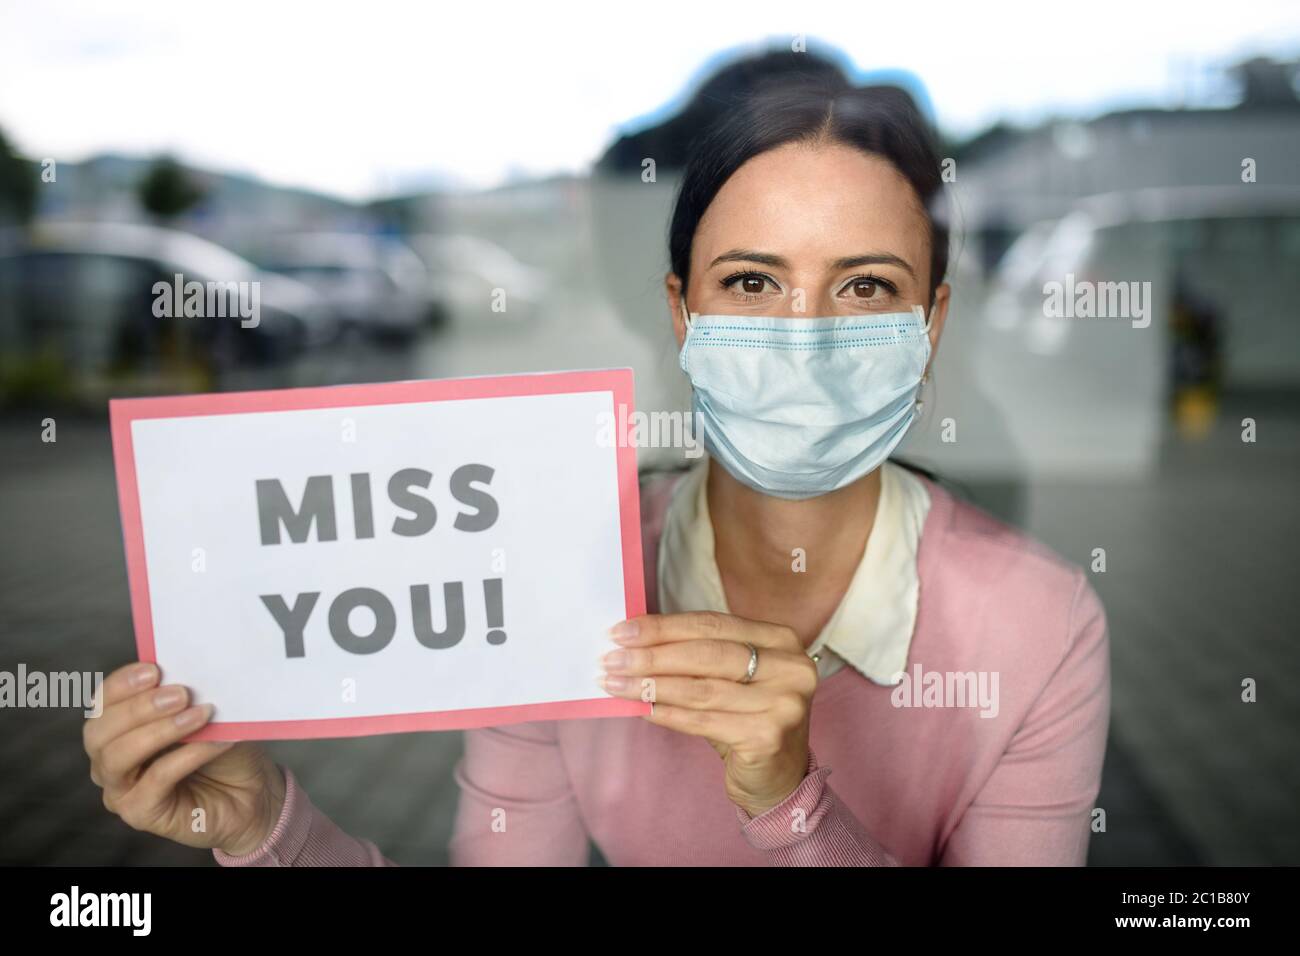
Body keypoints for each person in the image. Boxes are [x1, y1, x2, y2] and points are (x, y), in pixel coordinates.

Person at [84, 78, 1110, 866]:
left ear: (930, 323)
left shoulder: (1039, 626)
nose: (804, 335)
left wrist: (789, 801)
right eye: (750, 280)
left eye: (866, 285)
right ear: (681, 310)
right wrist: (264, 821)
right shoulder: (556, 573)